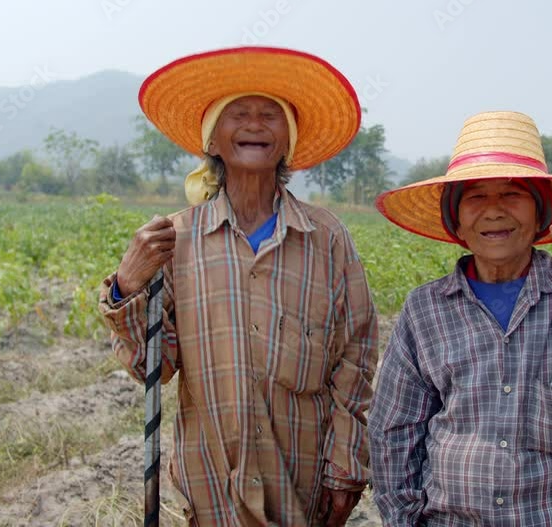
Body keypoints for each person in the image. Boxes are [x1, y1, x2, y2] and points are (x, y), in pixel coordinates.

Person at [99, 47, 378, 526]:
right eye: (238, 115)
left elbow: (355, 354)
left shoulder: (325, 237)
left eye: (271, 115)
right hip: (212, 483)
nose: (254, 124)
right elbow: (156, 366)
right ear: (212, 140)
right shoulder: (175, 239)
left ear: (288, 140)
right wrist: (127, 283)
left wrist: (347, 466)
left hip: (304, 481)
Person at [369, 111, 552, 526]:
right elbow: (394, 431)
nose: (494, 211)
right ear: (456, 222)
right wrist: (404, 518)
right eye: (476, 197)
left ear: (540, 218)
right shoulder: (426, 309)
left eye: (512, 195)